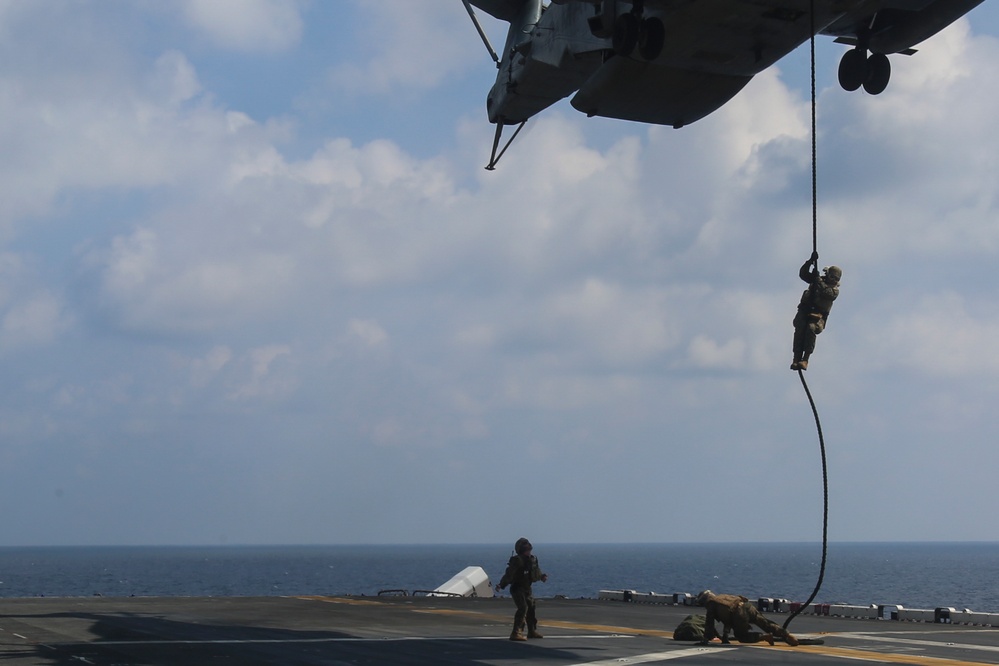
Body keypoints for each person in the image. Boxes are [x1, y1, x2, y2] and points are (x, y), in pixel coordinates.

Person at [792, 251, 841, 370]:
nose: (833, 280)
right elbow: (803, 274)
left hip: (818, 318)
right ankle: (796, 358)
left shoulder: (834, 291)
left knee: (811, 328)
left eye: (836, 278)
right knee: (800, 328)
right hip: (805, 311)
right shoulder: (817, 281)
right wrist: (809, 262)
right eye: (832, 277)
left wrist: (817, 279)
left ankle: (805, 359)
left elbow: (826, 292)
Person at [695, 590, 799, 646]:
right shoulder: (721, 597)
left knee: (741, 636)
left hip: (739, 614)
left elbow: (709, 624)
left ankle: (765, 637)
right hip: (747, 606)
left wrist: (705, 639)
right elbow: (727, 618)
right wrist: (725, 638)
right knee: (765, 623)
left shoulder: (711, 604)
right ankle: (787, 635)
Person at [496, 537, 548, 641]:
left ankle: (531, 630)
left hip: (527, 588)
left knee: (531, 607)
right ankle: (516, 632)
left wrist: (542, 576)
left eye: (529, 550)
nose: (528, 552)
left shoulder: (532, 560)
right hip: (517, 588)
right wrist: (501, 585)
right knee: (523, 608)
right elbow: (509, 575)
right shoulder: (517, 561)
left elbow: (536, 571)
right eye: (526, 550)